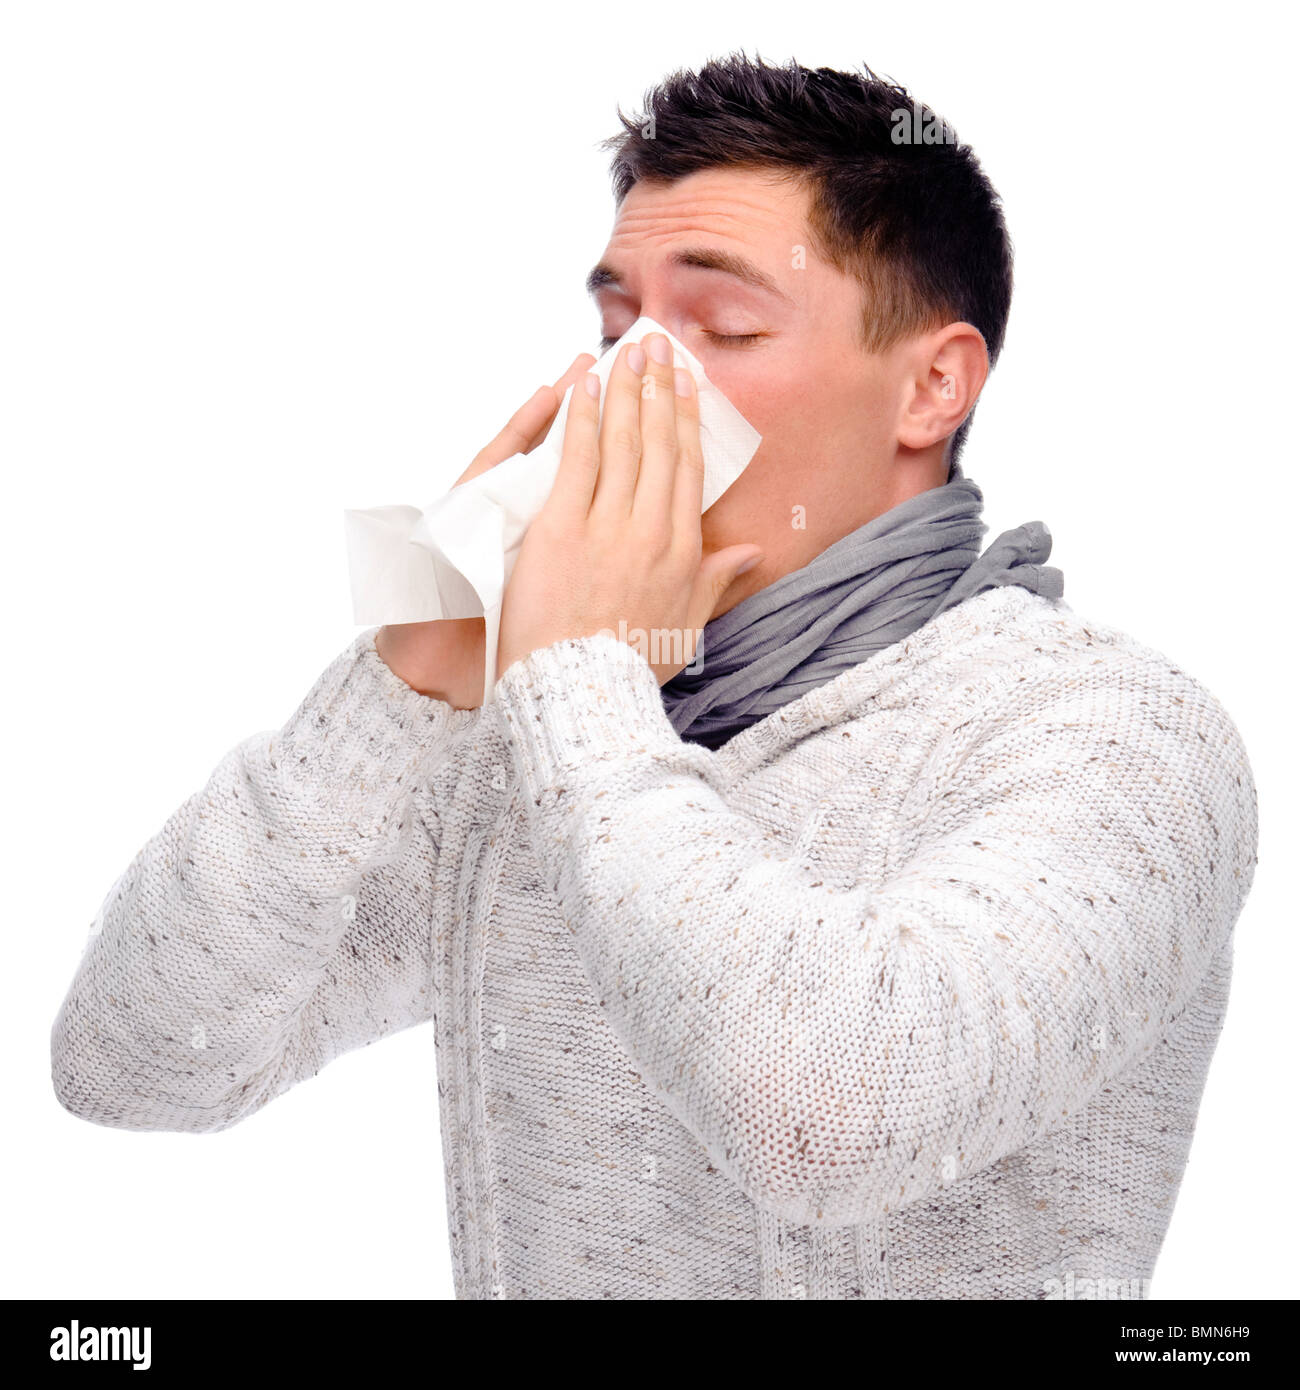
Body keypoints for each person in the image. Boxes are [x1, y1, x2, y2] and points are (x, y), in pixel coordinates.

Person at [51, 54, 1258, 1301]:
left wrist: (581, 678)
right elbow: (137, 1063)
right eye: (617, 330)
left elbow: (820, 1115)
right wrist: (402, 680)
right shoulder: (550, 735)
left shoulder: (1115, 737)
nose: (634, 387)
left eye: (722, 329)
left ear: (931, 385)